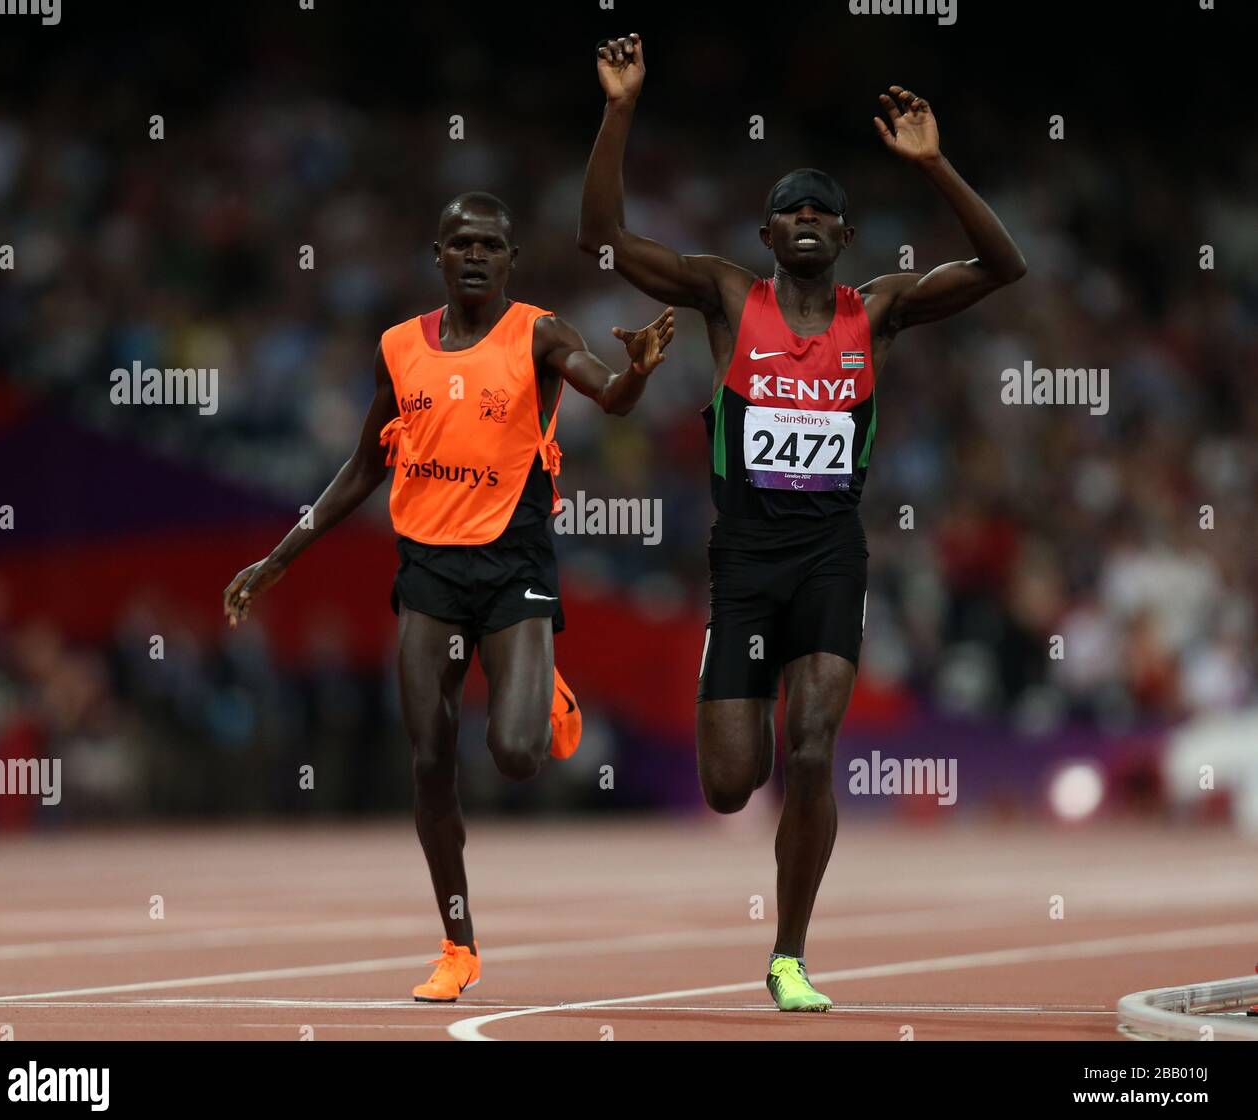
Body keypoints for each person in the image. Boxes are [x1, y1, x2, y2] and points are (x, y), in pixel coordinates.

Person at [579, 34, 1025, 1011]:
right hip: (743, 559)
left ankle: (788, 954)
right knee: (733, 784)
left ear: (847, 234)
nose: (810, 220)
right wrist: (618, 109)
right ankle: (736, 744)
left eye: (825, 209)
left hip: (830, 554)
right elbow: (602, 242)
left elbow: (1003, 264)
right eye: (792, 212)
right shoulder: (724, 294)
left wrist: (932, 163)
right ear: (768, 236)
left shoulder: (883, 308)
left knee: (816, 747)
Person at [224, 191, 674, 1001]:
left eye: (491, 245)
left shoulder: (539, 334)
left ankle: (548, 695)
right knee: (430, 762)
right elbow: (363, 467)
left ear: (510, 260)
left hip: (514, 561)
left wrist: (637, 369)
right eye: (461, 243)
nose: (475, 255)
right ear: (437, 254)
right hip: (429, 570)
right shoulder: (398, 347)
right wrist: (279, 556)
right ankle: (457, 944)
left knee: (516, 755)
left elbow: (608, 394)